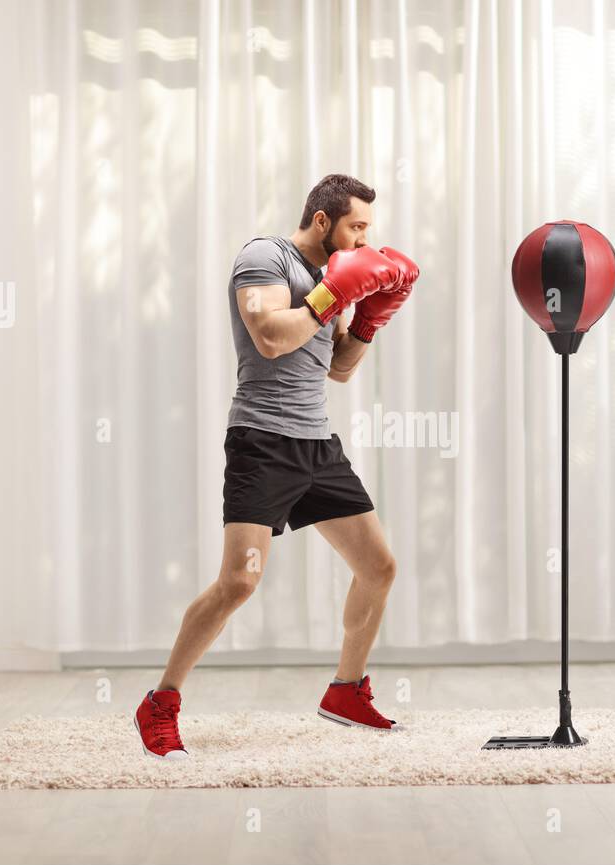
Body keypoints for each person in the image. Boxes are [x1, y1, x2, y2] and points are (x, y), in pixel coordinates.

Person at [135, 174, 420, 759]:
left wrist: (368, 318)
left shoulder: (331, 277)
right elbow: (268, 337)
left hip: (317, 445)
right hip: (262, 443)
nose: (366, 239)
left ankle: (345, 691)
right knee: (240, 581)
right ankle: (159, 703)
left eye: (369, 228)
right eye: (357, 226)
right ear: (323, 221)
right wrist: (330, 296)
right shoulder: (265, 258)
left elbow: (337, 369)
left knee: (380, 566)